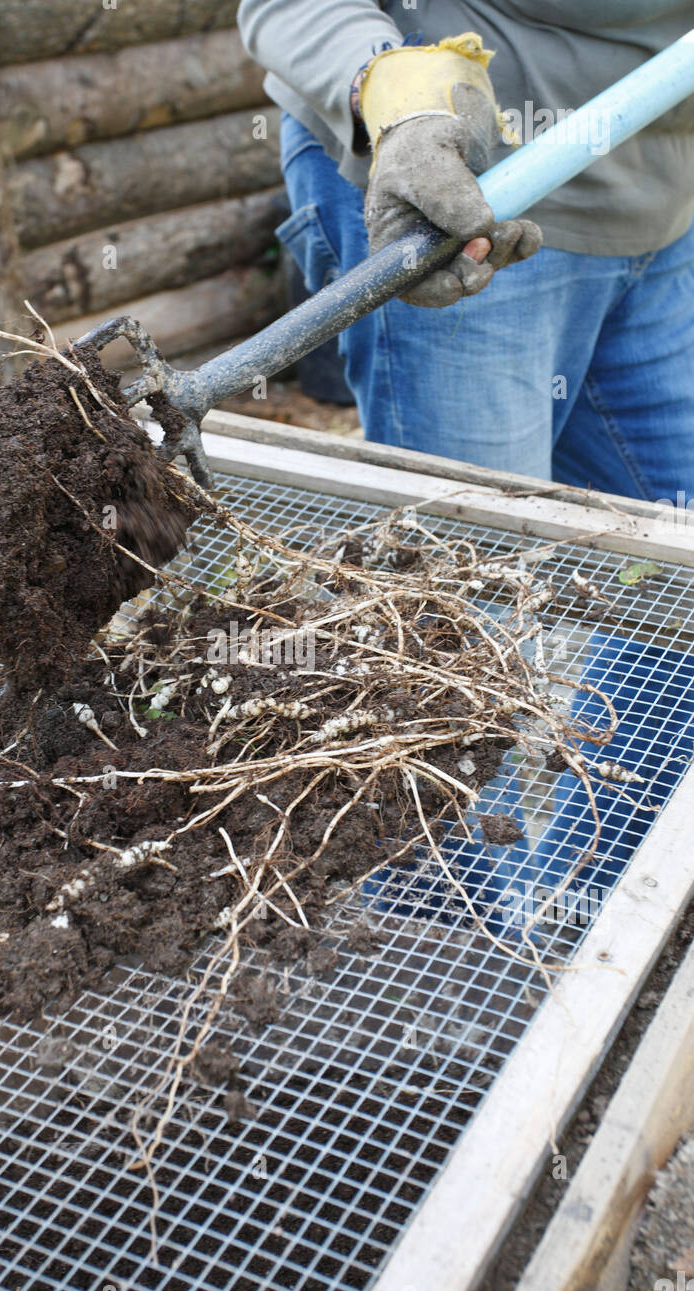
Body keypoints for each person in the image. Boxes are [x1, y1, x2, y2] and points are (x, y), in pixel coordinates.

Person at [237, 2, 694, 937]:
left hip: (663, 193)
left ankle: (590, 918)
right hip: (448, 189)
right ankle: (433, 971)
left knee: (679, 589)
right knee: (459, 649)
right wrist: (388, 85)